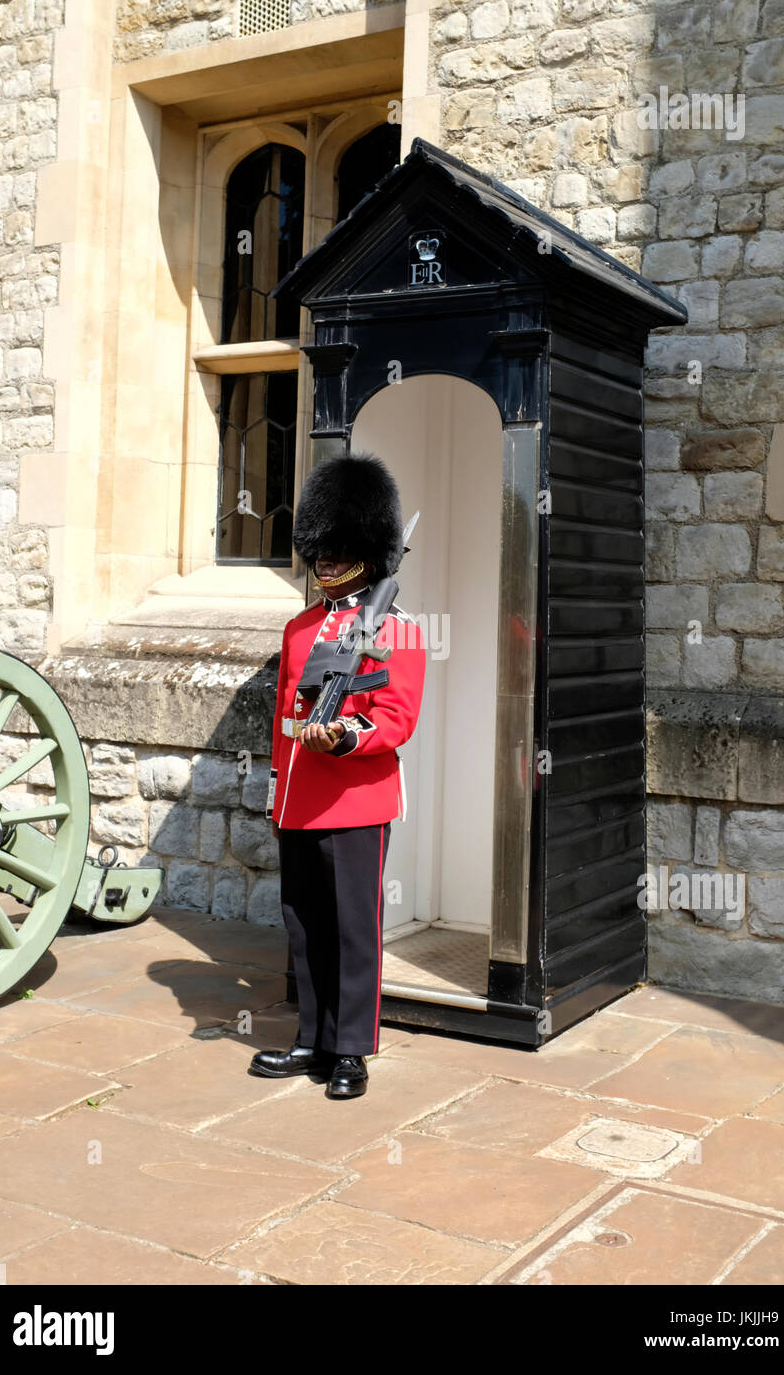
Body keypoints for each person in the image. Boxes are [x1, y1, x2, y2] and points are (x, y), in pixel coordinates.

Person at [250, 453, 426, 1099]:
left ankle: (351, 1049)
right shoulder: (300, 628)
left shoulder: (396, 630)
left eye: (337, 549)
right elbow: (282, 721)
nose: (324, 562)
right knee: (305, 925)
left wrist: (347, 736)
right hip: (300, 798)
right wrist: (277, 789)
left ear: (364, 550)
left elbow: (396, 719)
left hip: (354, 799)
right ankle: (312, 1037)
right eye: (319, 550)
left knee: (354, 929)